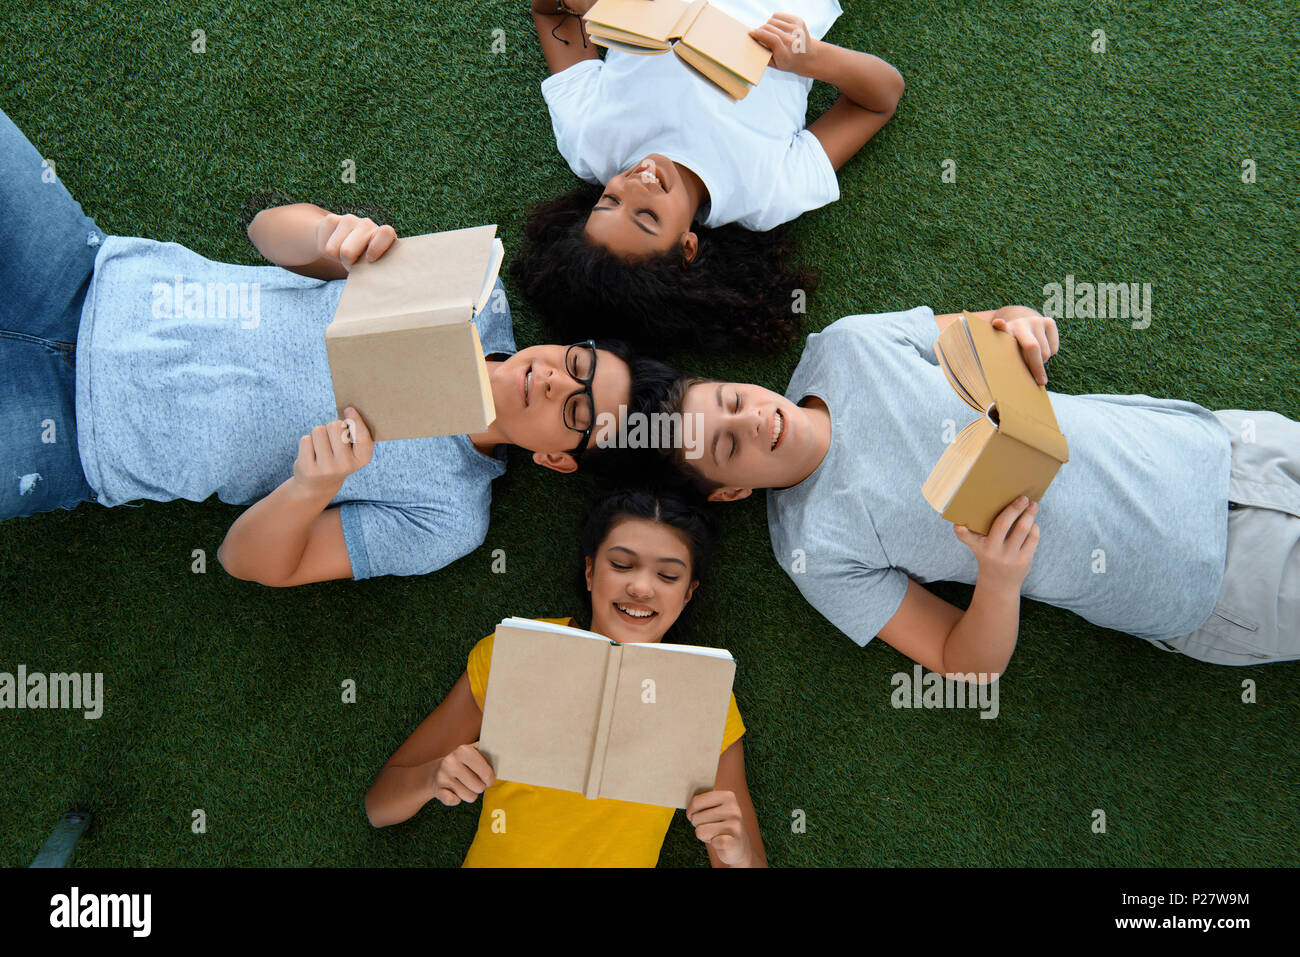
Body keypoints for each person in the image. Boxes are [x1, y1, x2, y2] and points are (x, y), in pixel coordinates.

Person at [0, 107, 674, 585]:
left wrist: (310, 485)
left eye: (579, 410)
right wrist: (328, 236)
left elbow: (249, 561)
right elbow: (266, 230)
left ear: (557, 457)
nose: (559, 381)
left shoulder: (448, 515)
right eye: (579, 363)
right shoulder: (472, 294)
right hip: (84, 272)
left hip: (73, 441)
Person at [655, 305, 1300, 670]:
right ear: (730, 493)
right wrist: (998, 577)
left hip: (1219, 447)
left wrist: (1021, 327)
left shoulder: (846, 345)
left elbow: (988, 327)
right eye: (727, 445)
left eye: (732, 400)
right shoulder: (813, 551)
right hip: (1204, 581)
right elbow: (964, 664)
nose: (752, 419)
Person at [365, 486, 767, 867]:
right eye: (622, 564)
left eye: (668, 576)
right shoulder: (513, 652)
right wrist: (433, 778)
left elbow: (740, 855)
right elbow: (380, 807)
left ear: (688, 593)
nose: (641, 587)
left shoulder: (703, 695)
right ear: (590, 571)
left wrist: (739, 853)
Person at [511, 0, 904, 352]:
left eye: (609, 201)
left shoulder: (591, 142)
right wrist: (810, 57)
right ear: (688, 247)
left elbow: (549, 11)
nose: (637, 183)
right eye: (648, 217)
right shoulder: (766, 193)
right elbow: (881, 99)